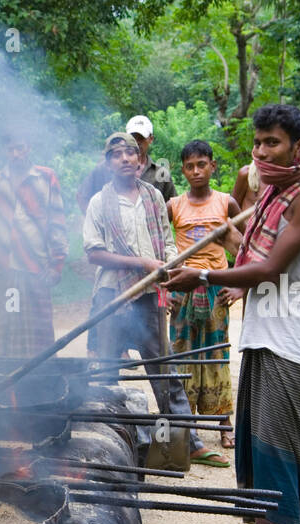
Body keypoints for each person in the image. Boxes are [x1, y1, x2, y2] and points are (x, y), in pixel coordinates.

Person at [164, 104, 300, 524]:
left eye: (273, 143)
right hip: (265, 334)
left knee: (279, 449)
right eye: (257, 143)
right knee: (266, 445)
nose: (262, 153)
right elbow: (250, 245)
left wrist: (200, 276)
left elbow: (271, 268)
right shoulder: (274, 194)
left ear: (299, 145)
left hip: (290, 336)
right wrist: (224, 234)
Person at [83, 131, 227, 468]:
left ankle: (187, 444)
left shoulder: (152, 197)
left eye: (130, 153)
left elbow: (167, 241)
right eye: (117, 154)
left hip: (149, 298)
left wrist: (169, 266)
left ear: (140, 159)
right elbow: (95, 254)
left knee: (166, 374)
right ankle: (107, 448)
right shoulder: (98, 203)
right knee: (107, 375)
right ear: (108, 163)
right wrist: (143, 264)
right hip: (112, 298)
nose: (125, 159)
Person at [166, 140, 242, 450]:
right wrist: (164, 291)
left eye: (202, 164)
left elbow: (246, 248)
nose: (196, 171)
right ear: (182, 170)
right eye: (189, 166)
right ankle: (185, 427)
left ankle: (224, 422)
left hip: (216, 287)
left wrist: (240, 285)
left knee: (217, 353)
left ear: (212, 166)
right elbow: (160, 249)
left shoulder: (227, 203)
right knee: (181, 354)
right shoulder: (173, 205)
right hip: (183, 289)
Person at [0, 129, 68, 357]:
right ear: (5, 151)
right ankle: (11, 388)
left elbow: (57, 221)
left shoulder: (46, 177)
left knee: (41, 331)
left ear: (29, 148)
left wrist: (57, 264)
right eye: (11, 149)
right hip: (6, 270)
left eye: (20, 148)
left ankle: (44, 385)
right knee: (10, 327)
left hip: (38, 269)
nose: (16, 154)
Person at [76, 114, 177, 211]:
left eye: (141, 138)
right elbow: (82, 196)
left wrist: (159, 223)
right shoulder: (106, 167)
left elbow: (173, 204)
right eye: (133, 137)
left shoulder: (160, 173)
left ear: (151, 139)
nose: (136, 142)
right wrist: (96, 221)